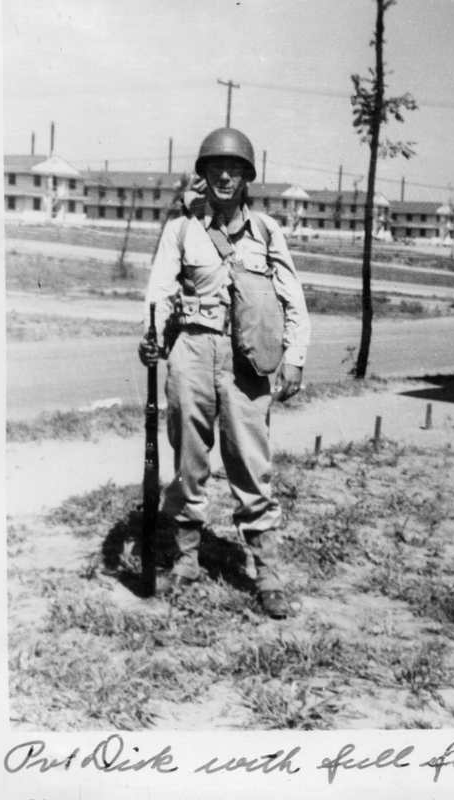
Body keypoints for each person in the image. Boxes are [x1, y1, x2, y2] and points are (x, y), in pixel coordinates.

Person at [138, 127, 311, 619]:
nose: (225, 175)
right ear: (204, 174)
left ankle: (268, 574)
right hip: (192, 350)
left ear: (247, 177)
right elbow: (160, 290)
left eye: (234, 168)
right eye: (215, 167)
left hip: (244, 360)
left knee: (250, 464)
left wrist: (295, 355)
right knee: (189, 461)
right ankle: (187, 560)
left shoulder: (267, 231)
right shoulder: (181, 229)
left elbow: (291, 297)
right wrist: (151, 332)